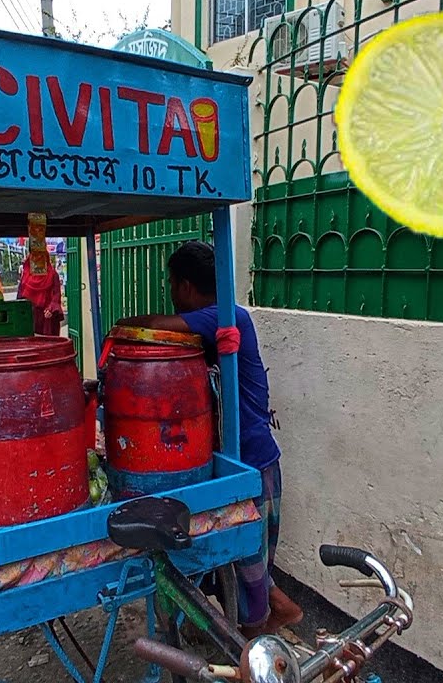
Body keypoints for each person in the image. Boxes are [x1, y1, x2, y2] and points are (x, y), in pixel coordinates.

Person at [117, 240, 302, 638]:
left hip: (252, 462)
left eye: (171, 283)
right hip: (243, 459)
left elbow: (151, 326)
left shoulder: (227, 317)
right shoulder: (213, 324)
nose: (170, 292)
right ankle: (279, 608)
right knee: (245, 556)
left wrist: (120, 327)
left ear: (185, 285)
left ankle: (255, 646)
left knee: (247, 558)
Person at [18, 250, 64, 335]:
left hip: (47, 318)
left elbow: (56, 295)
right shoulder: (26, 276)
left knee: (48, 342)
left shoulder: (53, 275)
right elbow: (20, 298)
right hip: (30, 317)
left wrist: (51, 309)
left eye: (41, 258)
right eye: (34, 259)